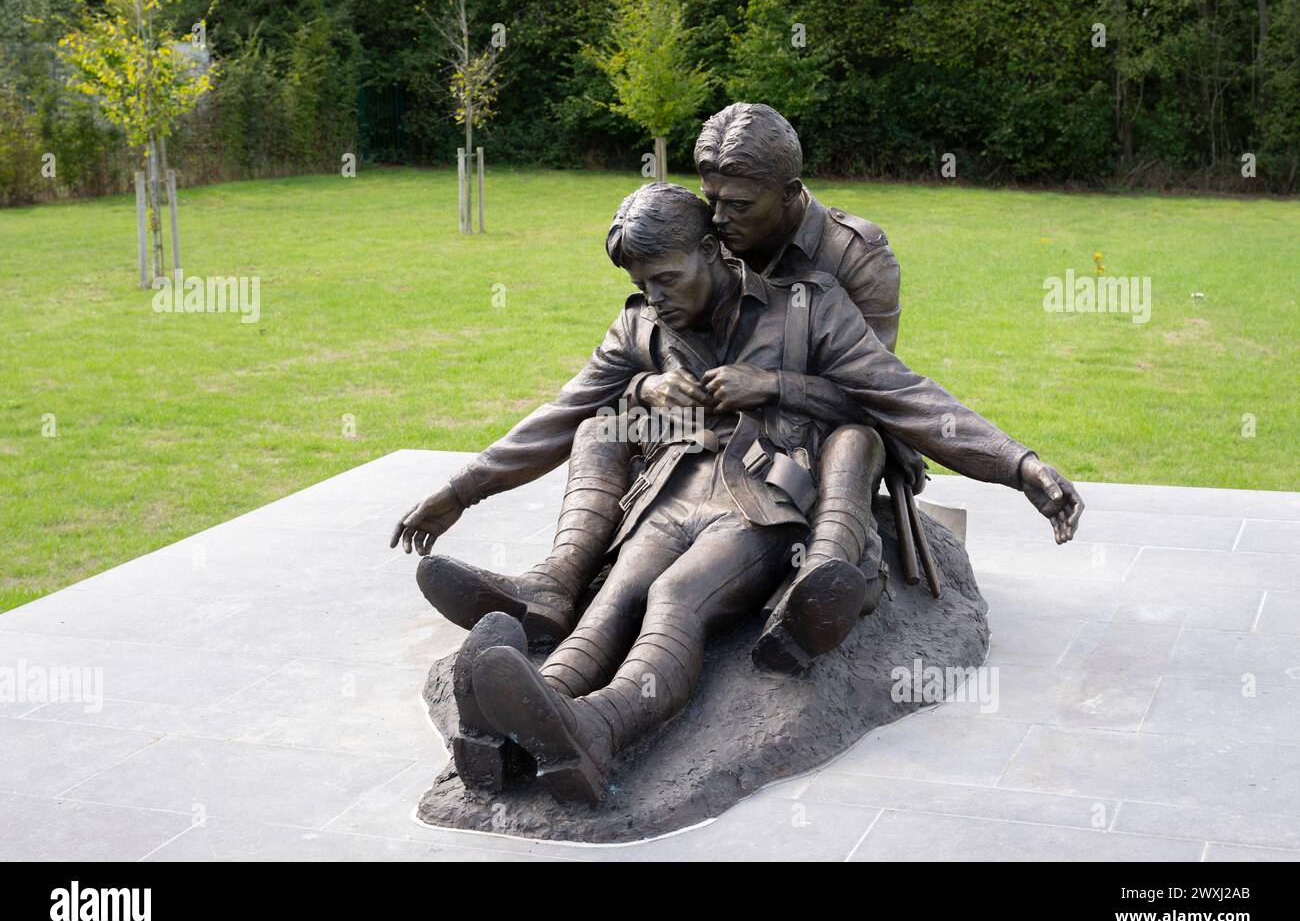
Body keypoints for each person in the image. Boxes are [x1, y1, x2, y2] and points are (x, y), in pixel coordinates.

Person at [392, 183, 1083, 804]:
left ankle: (598, 730)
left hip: (764, 504)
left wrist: (1021, 466)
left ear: (712, 251)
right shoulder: (642, 327)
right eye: (642, 282)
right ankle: (521, 710)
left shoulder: (808, 308)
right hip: (671, 495)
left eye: (667, 277)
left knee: (674, 600)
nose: (656, 294)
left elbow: (904, 397)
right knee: (616, 596)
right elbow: (561, 415)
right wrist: (462, 489)